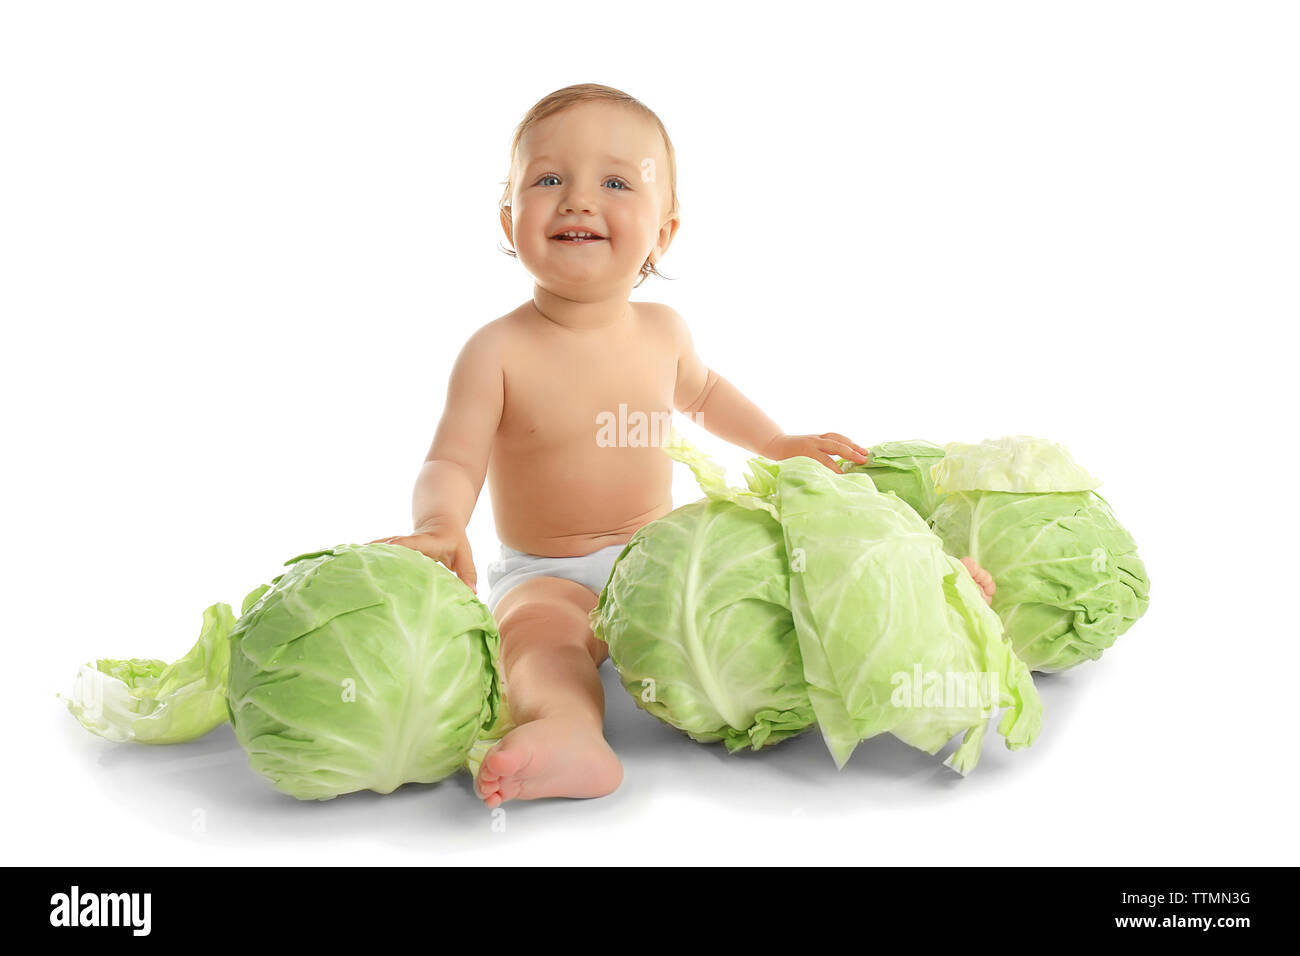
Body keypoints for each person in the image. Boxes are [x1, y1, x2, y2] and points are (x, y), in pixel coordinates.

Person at [373, 84, 994, 808]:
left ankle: (926, 587)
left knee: (791, 570)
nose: (577, 200)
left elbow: (705, 396)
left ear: (663, 233)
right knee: (535, 642)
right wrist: (440, 524)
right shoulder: (496, 350)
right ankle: (570, 732)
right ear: (510, 221)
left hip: (662, 554)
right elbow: (451, 458)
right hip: (549, 570)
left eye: (614, 181)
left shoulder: (664, 330)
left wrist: (776, 440)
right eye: (547, 180)